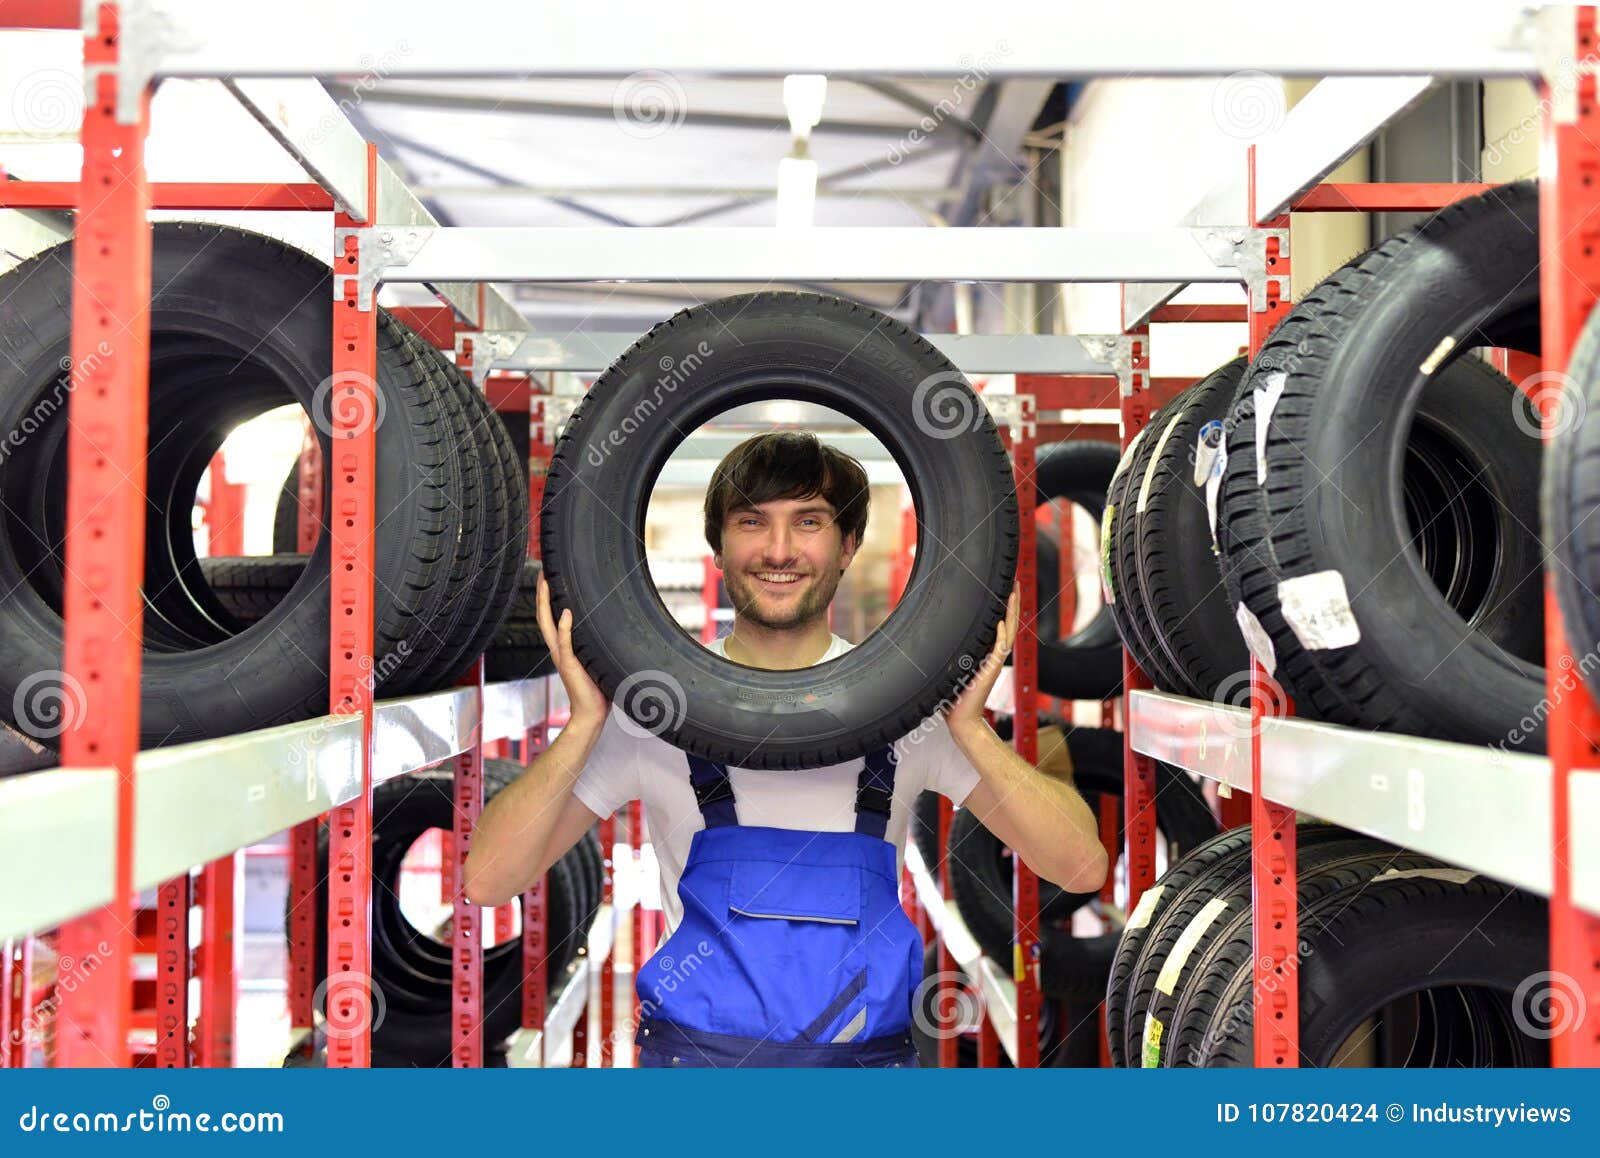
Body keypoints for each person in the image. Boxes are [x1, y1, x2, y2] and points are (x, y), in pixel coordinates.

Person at [464, 430, 1108, 1067]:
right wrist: (582, 724)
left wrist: (968, 730)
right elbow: (490, 880)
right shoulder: (656, 717)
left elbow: (1079, 868)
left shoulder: (905, 711)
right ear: (718, 547)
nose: (778, 550)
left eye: (808, 522)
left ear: (848, 544)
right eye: (752, 521)